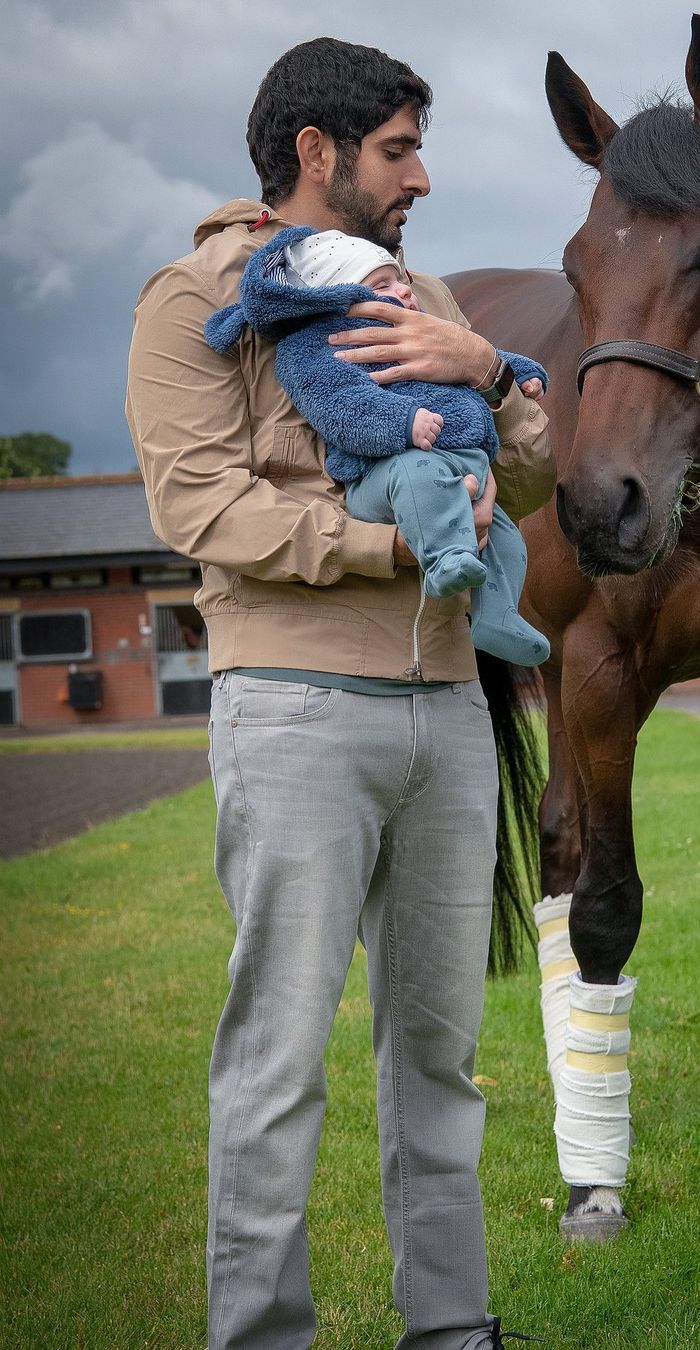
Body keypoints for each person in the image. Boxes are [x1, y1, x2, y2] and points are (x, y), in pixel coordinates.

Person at [125, 36, 555, 1350]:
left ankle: (452, 1326)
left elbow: (529, 485)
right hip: (298, 712)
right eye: (398, 150)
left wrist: (482, 366)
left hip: (449, 720)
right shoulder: (195, 296)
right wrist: (392, 547)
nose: (422, 175)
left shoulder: (419, 299)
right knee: (278, 1064)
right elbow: (203, 504)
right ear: (318, 154)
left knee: (435, 1055)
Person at [203, 227, 551, 666]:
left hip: (458, 465)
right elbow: (343, 409)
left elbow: (483, 357)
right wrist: (404, 424)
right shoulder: (318, 347)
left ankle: (499, 617)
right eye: (382, 284)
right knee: (418, 477)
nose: (403, 288)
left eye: (399, 279)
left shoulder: (422, 326)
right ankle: (447, 561)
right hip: (386, 471)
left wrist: (513, 371)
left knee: (508, 539)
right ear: (338, 297)